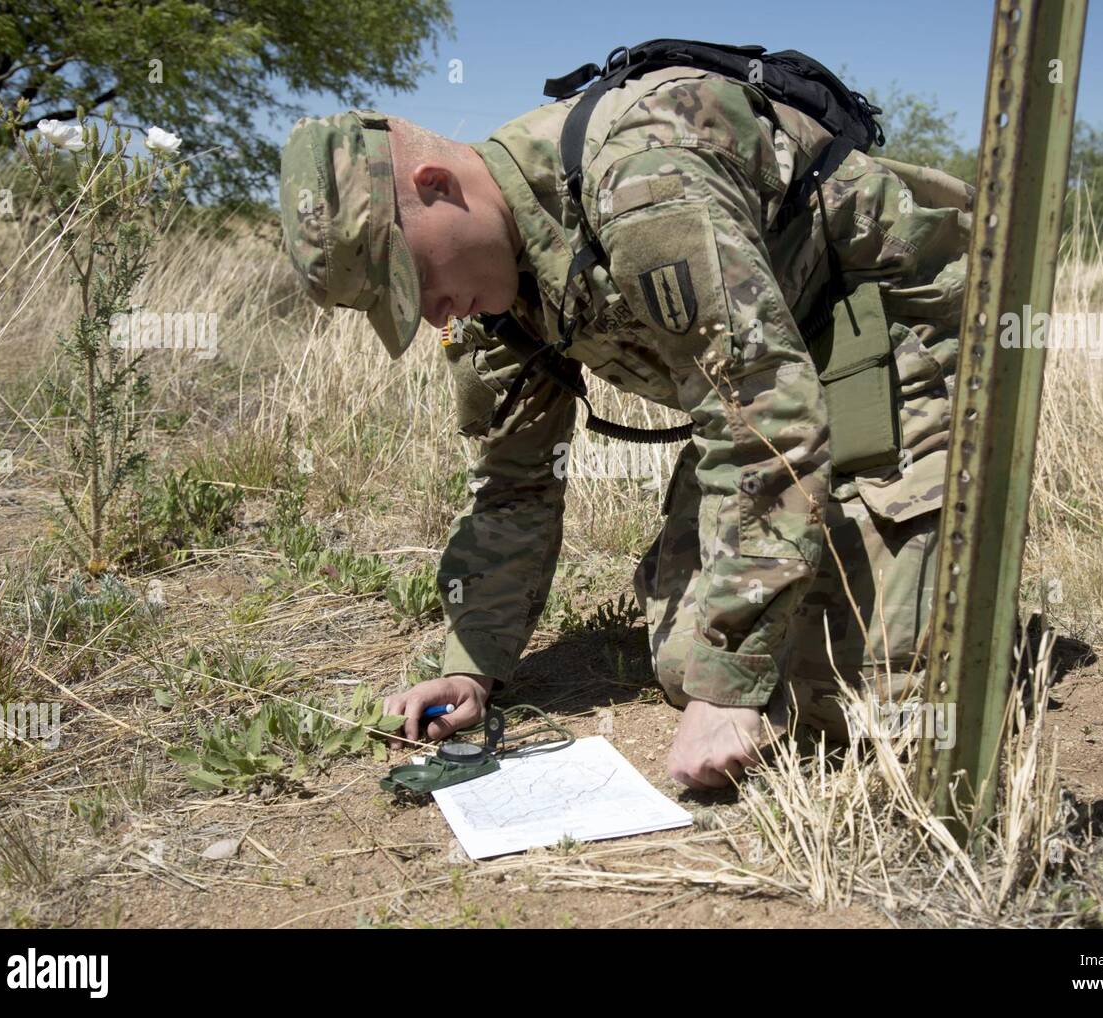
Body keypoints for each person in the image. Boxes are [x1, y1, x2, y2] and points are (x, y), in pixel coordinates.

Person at [278, 61, 971, 790]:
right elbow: (514, 483)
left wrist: (730, 688)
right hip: (774, 375)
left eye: (412, 279)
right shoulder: (489, 294)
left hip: (894, 334)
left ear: (435, 185)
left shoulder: (644, 183)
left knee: (868, 693)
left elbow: (766, 412)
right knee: (683, 661)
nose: (431, 314)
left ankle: (964, 600)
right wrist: (470, 668)